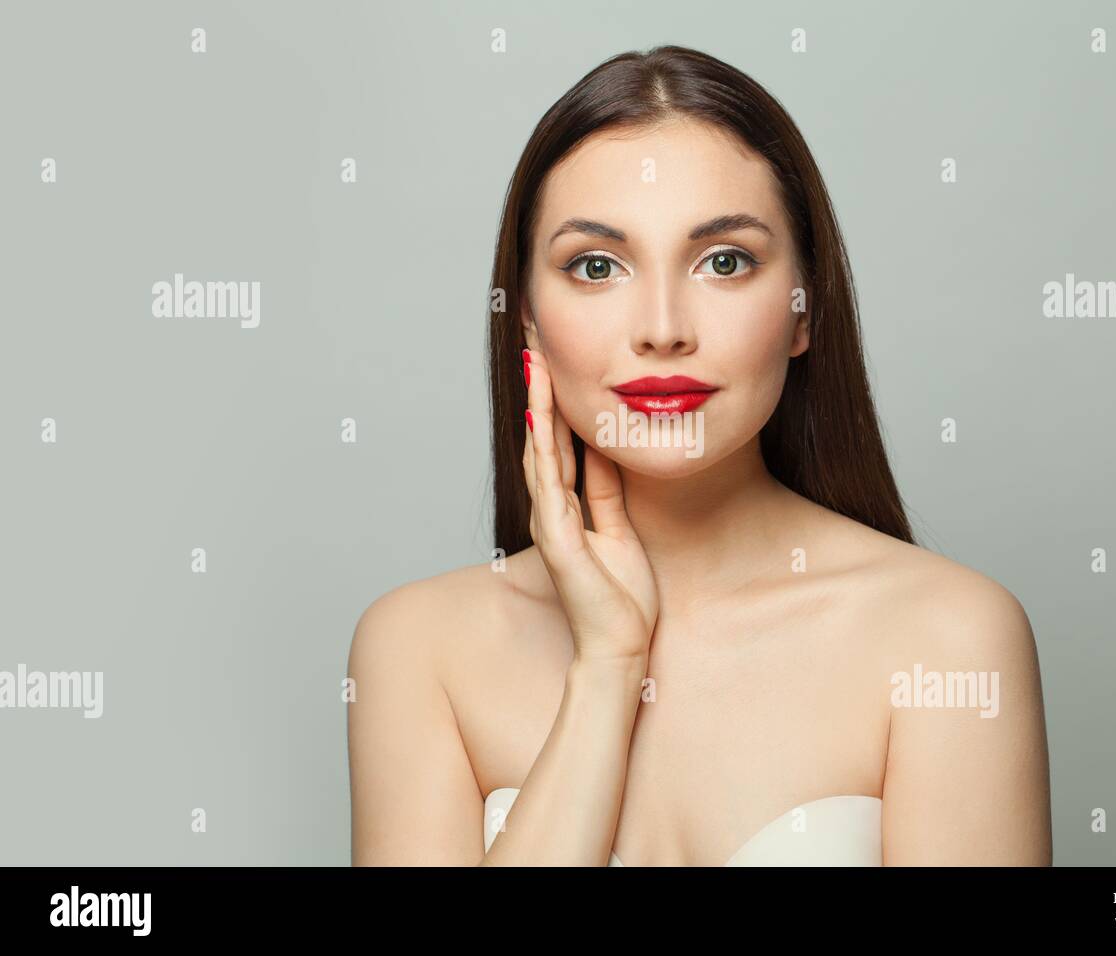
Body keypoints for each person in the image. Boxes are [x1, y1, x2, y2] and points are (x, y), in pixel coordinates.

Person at [347, 45, 1051, 866]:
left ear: (802, 311)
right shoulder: (416, 649)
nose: (662, 326)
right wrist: (608, 668)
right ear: (526, 324)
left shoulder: (948, 639)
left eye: (725, 262)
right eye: (597, 266)